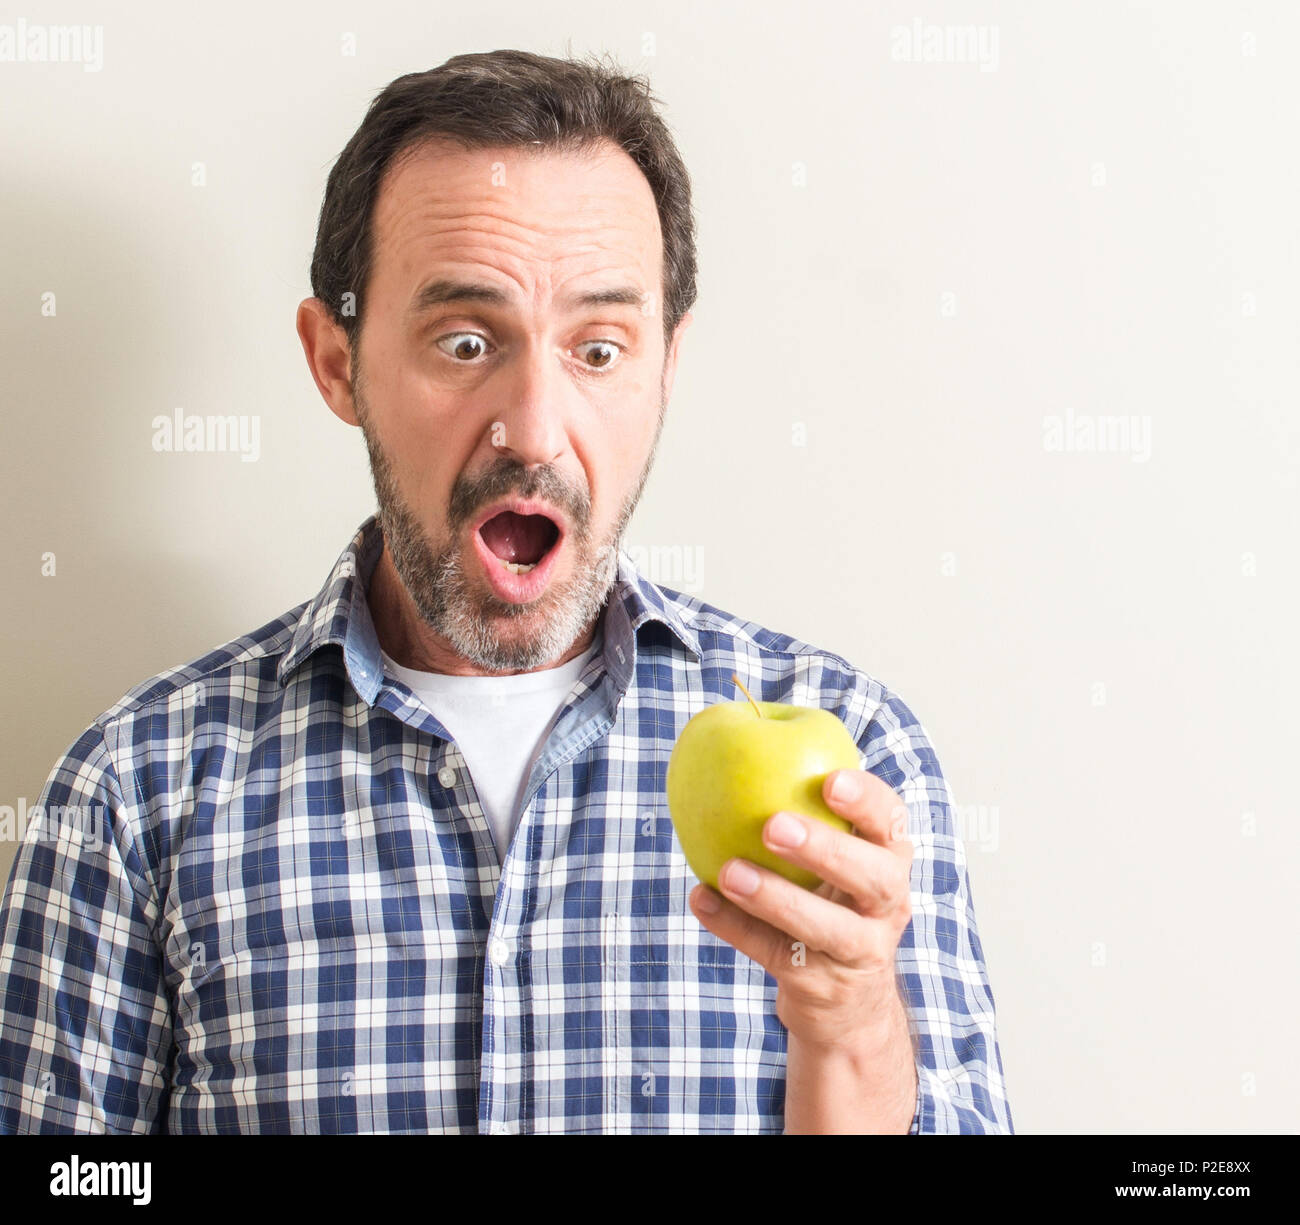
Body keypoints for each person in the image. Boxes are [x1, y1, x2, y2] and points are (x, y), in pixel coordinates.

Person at [0, 48, 1012, 1134]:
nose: (532, 429)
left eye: (599, 347)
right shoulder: (136, 793)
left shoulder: (857, 760)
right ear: (337, 360)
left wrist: (854, 1033)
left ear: (666, 364)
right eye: (466, 341)